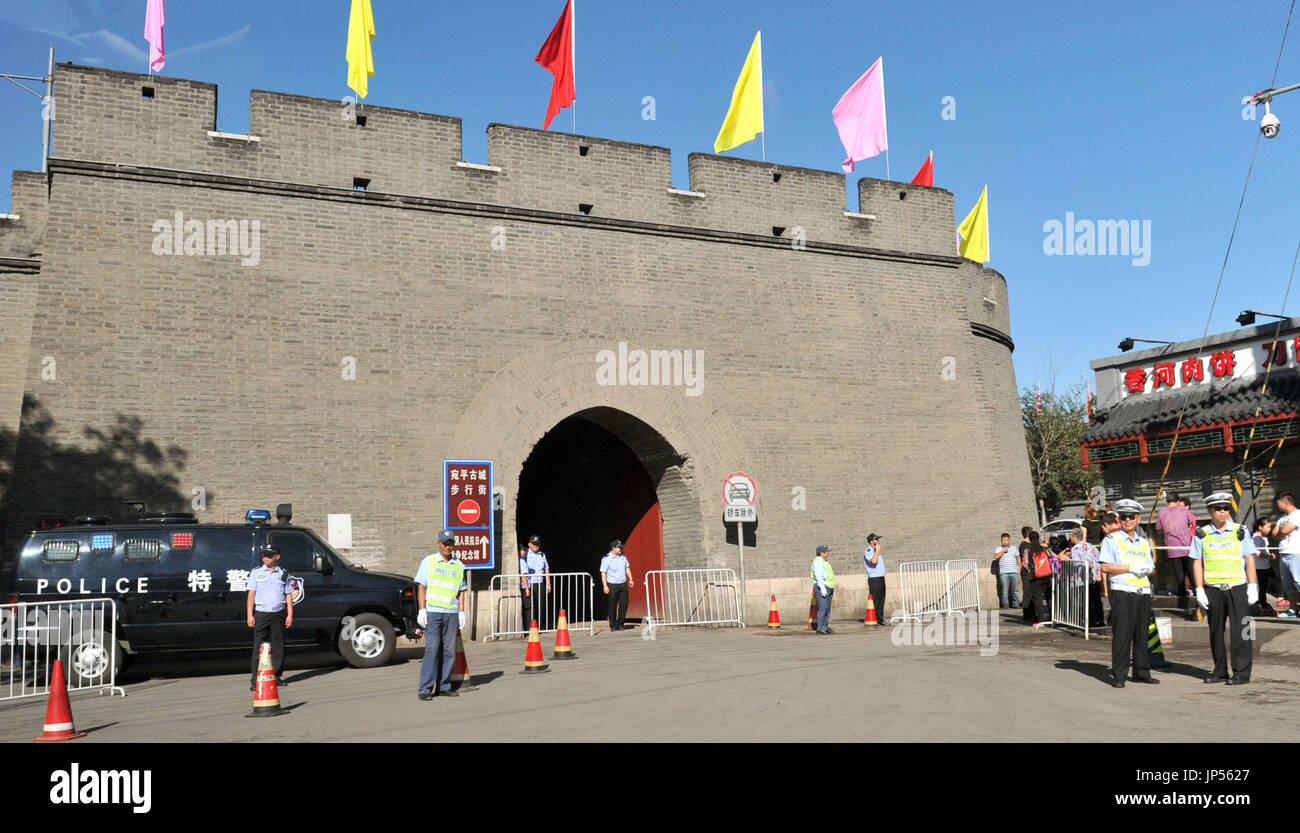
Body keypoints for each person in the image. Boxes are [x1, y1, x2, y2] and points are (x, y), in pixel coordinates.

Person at [1189, 492, 1258, 685]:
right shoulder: (1202, 534)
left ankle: (1242, 673)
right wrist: (1199, 589)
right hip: (1214, 590)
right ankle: (1220, 671)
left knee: (1244, 630)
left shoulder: (1240, 530)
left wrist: (1253, 586)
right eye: (1218, 508)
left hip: (1238, 588)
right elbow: (1196, 562)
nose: (1222, 512)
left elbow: (1249, 558)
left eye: (1226, 508)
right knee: (1215, 631)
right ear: (1210, 510)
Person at [1098, 498, 1158, 687]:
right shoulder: (1111, 540)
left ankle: (1141, 672)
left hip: (1142, 591)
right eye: (1123, 517)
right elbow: (1106, 567)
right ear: (1119, 520)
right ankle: (1119, 675)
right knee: (1123, 634)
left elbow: (1150, 566)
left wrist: (1147, 569)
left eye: (1131, 516)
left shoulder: (1143, 542)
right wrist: (1130, 567)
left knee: (1142, 634)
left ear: (1138, 519)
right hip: (1123, 591)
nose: (1127, 520)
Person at [414, 529, 467, 700]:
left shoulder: (459, 566)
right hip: (433, 612)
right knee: (432, 649)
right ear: (439, 544)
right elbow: (421, 586)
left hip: (451, 613)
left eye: (451, 544)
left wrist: (461, 612)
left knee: (449, 651)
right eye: (445, 543)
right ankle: (425, 689)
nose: (448, 547)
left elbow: (461, 590)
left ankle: (444, 686)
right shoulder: (428, 562)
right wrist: (422, 609)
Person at [247, 544, 294, 692]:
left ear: (277, 557)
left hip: (278, 613)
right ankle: (255, 680)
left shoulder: (284, 574)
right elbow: (251, 595)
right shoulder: (256, 573)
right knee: (258, 646)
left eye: (269, 555)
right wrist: (250, 614)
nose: (265, 558)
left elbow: (288, 595)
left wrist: (290, 614)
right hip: (261, 613)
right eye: (264, 555)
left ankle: (276, 676)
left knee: (278, 645)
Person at [1155, 491, 1196, 598]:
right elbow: (1190, 522)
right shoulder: (1184, 510)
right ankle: (1197, 592)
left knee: (1178, 573)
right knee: (1191, 571)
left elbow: (1158, 528)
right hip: (1187, 545)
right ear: (1178, 501)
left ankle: (1181, 594)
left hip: (1172, 546)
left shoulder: (1161, 512)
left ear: (1166, 501)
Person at [1065, 528, 1105, 627]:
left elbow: (1075, 563)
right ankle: (1100, 620)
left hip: (1082, 578)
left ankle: (1090, 621)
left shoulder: (1075, 548)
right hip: (1094, 577)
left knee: (1087, 600)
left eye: (1071, 537)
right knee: (1096, 600)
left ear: (1074, 537)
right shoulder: (1092, 546)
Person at [600, 539, 635, 631]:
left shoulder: (623, 556)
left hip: (623, 584)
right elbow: (603, 573)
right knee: (612, 606)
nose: (620, 549)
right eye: (619, 548)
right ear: (613, 548)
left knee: (624, 604)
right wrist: (605, 586)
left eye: (621, 548)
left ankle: (620, 624)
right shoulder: (606, 558)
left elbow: (627, 567)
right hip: (612, 585)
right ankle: (613, 625)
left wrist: (631, 579)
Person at [1275, 492, 1300, 618]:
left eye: (1278, 503)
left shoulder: (1297, 514)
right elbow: (1275, 534)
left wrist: (1282, 532)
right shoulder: (1283, 517)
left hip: (1296, 552)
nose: (1277, 505)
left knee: (1298, 581)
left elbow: (1283, 530)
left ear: (1285, 503)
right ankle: (1293, 610)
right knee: (1289, 585)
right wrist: (1281, 533)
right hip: (1283, 553)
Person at [520, 534, 552, 630]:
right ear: (529, 544)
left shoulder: (542, 554)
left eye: (537, 544)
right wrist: (526, 588)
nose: (535, 546)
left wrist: (548, 583)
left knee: (540, 606)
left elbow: (546, 568)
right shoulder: (525, 555)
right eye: (533, 543)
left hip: (540, 582)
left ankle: (540, 628)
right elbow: (523, 573)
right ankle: (530, 629)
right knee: (530, 608)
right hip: (530, 584)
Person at [1022, 531, 1053, 624]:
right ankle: (1052, 617)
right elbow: (1053, 558)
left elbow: (1025, 564)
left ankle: (1041, 619)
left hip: (1035, 577)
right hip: (1047, 576)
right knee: (1049, 597)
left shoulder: (1027, 551)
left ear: (1030, 539)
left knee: (1038, 599)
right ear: (1039, 538)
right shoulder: (1045, 549)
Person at [1252, 518, 1277, 617]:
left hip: (1266, 566)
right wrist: (1270, 556)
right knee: (1262, 589)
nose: (1270, 529)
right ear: (1260, 527)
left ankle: (1265, 605)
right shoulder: (1256, 538)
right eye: (1268, 527)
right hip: (1260, 568)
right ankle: (1263, 607)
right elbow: (1258, 554)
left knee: (1269, 584)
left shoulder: (1263, 538)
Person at [811, 545, 835, 634]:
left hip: (829, 587)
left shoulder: (824, 561)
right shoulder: (817, 562)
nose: (828, 553)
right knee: (823, 608)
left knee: (827, 609)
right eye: (826, 551)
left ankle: (825, 626)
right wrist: (822, 588)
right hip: (822, 587)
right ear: (822, 553)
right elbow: (818, 576)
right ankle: (820, 628)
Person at [862, 534, 886, 621]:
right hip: (874, 579)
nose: (878, 541)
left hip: (880, 577)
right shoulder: (869, 550)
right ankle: (874, 618)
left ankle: (880, 618)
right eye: (876, 540)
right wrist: (877, 551)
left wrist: (877, 551)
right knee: (875, 599)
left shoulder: (875, 551)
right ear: (871, 541)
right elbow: (874, 561)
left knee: (881, 598)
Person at [994, 533, 1020, 609]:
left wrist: (1020, 567)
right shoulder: (998, 548)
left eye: (1006, 540)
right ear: (1001, 541)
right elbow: (995, 557)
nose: (1005, 541)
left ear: (1009, 540)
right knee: (1005, 590)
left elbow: (1018, 557)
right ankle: (1005, 604)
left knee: (1015, 589)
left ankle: (1016, 604)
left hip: (1014, 572)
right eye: (1003, 540)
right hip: (1004, 573)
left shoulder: (1014, 548)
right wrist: (1003, 551)